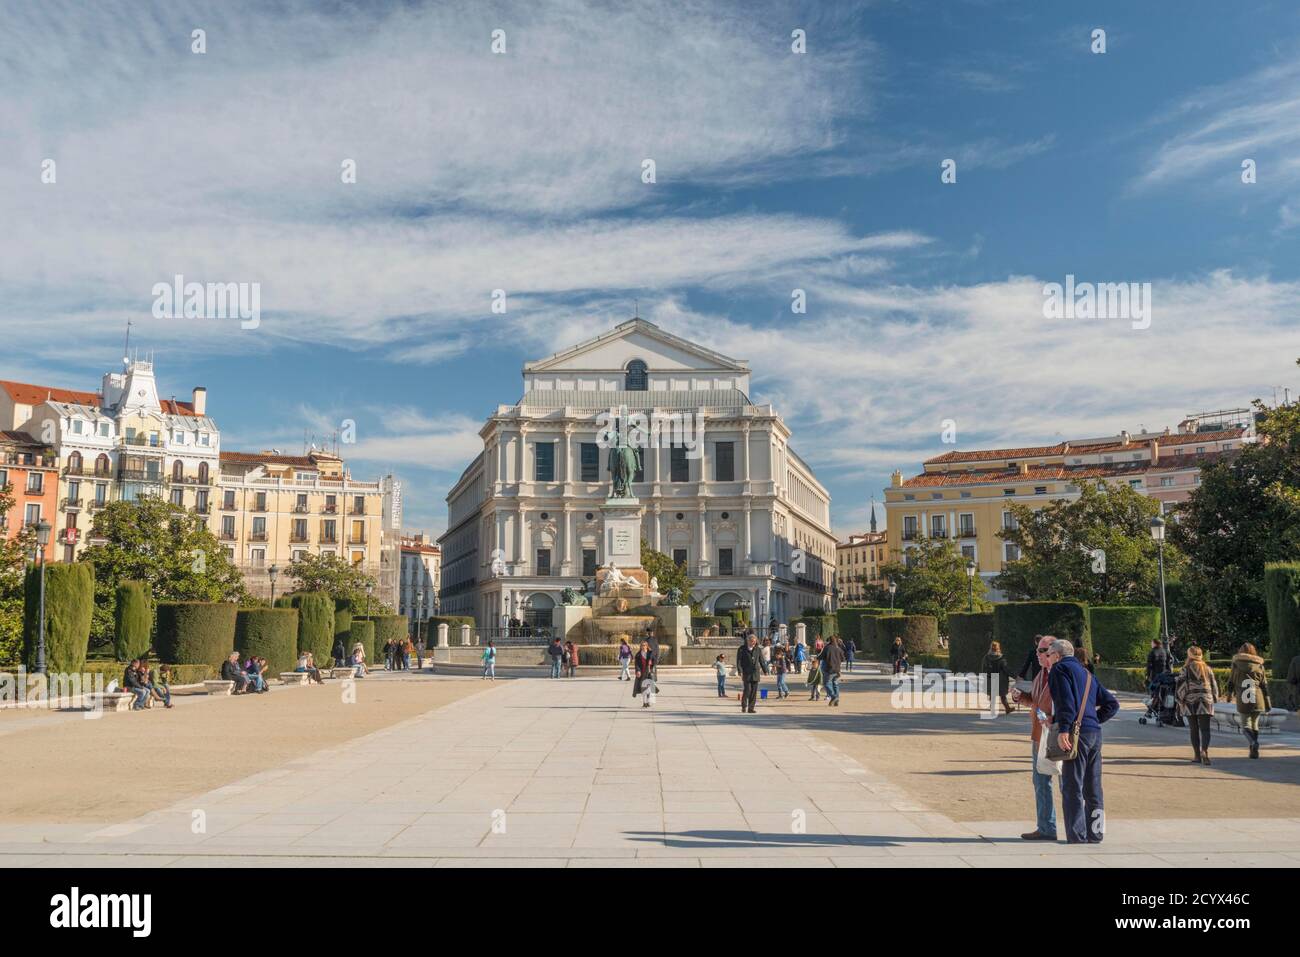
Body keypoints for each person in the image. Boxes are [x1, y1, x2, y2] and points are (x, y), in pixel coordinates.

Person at [1046, 638, 1119, 845]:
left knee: (1072, 786)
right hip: (1094, 734)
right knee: (1093, 786)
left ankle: (1077, 835)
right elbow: (1112, 704)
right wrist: (1095, 720)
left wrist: (1065, 729)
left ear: (1058, 655)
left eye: (1049, 654)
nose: (1047, 658)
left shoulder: (1059, 670)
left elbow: (1065, 702)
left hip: (1075, 735)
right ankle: (1096, 833)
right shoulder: (1086, 673)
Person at [1012, 635, 1057, 842]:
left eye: (1041, 651)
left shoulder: (1059, 675)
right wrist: (1020, 697)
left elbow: (1066, 707)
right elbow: (1035, 701)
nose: (1037, 654)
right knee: (1040, 781)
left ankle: (1075, 827)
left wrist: (1051, 719)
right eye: (1037, 650)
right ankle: (1046, 826)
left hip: (1057, 734)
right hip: (1040, 735)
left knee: (1066, 783)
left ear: (1053, 653)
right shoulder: (1042, 675)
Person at [1175, 645, 1220, 765]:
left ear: (1189, 655)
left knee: (1193, 729)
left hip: (1191, 702)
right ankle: (1204, 751)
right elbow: (1214, 685)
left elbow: (1181, 686)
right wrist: (1214, 698)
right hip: (1206, 701)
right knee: (1205, 729)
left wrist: (1179, 699)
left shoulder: (1186, 668)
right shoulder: (1207, 668)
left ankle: (1196, 755)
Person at [1227, 642, 1271, 760]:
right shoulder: (1260, 665)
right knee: (1255, 724)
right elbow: (1264, 685)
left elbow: (1231, 681)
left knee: (1245, 725)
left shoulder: (1236, 664)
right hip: (1258, 698)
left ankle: (1253, 743)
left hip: (1243, 697)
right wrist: (1268, 703)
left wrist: (1229, 695)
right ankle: (1254, 751)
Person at [982, 641, 1012, 715]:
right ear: (998, 648)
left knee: (992, 695)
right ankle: (1007, 708)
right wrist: (1014, 676)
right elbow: (1005, 669)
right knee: (1002, 695)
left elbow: (984, 668)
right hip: (1000, 679)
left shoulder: (986, 657)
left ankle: (992, 710)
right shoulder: (1001, 657)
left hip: (990, 677)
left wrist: (985, 676)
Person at [737, 633, 762, 714]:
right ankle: (744, 706)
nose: (753, 643)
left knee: (754, 691)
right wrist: (740, 671)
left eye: (755, 641)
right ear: (748, 641)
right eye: (752, 641)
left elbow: (761, 660)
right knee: (747, 690)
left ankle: (751, 708)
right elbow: (739, 661)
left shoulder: (758, 649)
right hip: (746, 672)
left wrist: (765, 670)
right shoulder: (742, 649)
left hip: (755, 673)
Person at [821, 635, 844, 707]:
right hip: (837, 669)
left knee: (826, 683)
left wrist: (816, 658)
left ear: (830, 640)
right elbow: (843, 659)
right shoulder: (839, 649)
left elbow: (822, 656)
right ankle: (837, 699)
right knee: (835, 684)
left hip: (829, 669)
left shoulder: (827, 648)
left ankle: (833, 696)